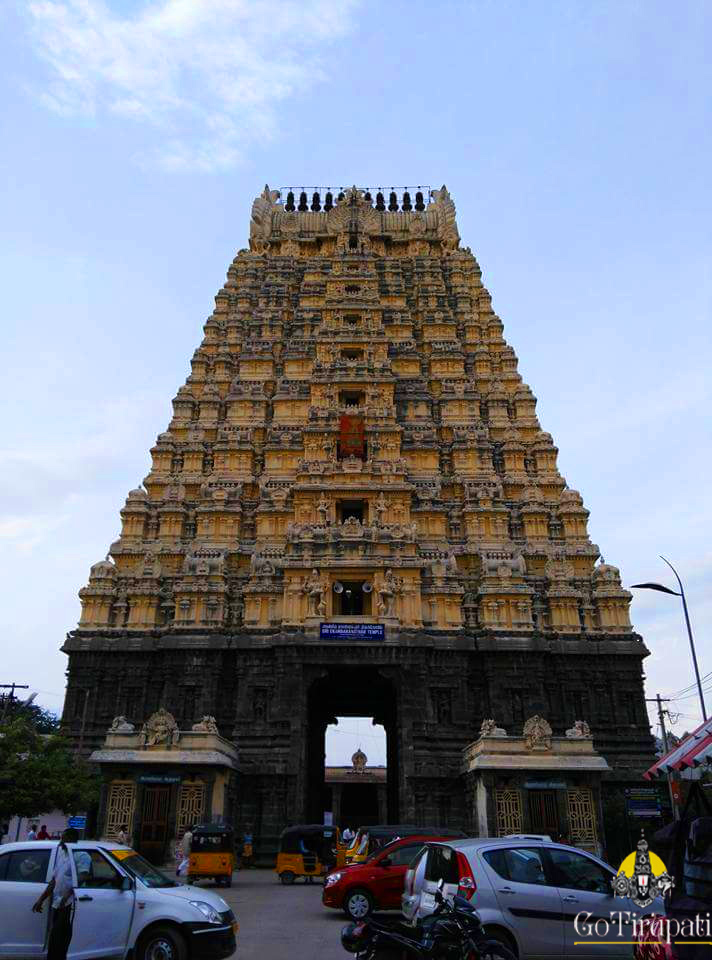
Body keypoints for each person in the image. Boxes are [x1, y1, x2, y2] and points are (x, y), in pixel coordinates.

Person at [32, 827, 79, 960]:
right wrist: (41, 899)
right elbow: (54, 880)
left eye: (63, 839)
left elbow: (84, 877)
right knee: (55, 937)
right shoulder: (62, 855)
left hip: (69, 904)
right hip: (57, 903)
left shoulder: (80, 855)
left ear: (71, 840)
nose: (60, 843)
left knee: (58, 937)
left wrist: (67, 895)